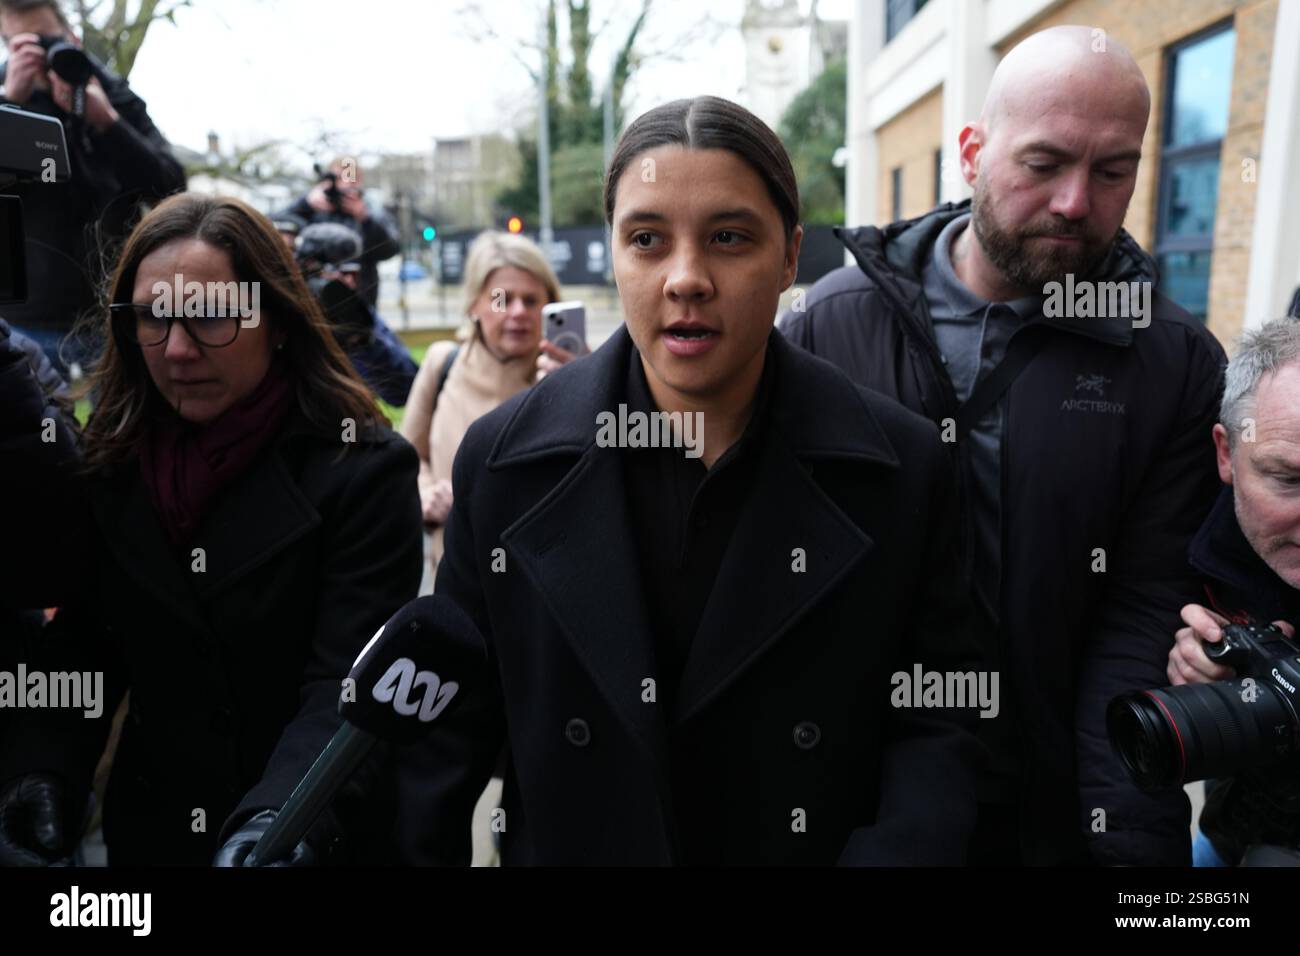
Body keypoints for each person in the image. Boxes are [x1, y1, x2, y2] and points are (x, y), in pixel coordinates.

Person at [331, 96, 984, 866]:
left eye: (729, 238)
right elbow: (445, 746)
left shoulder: (900, 468)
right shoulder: (504, 463)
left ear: (788, 257)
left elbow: (947, 724)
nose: (686, 278)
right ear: (613, 254)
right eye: (647, 239)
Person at [779, 25, 1225, 865]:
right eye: (1044, 163)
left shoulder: (1171, 361)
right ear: (973, 152)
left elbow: (1139, 620)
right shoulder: (829, 326)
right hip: (858, 809)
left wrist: (1129, 853)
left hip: (1052, 810)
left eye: (1113, 171)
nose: (1074, 202)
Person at [0, 193, 422, 866]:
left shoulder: (364, 471)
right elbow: (86, 645)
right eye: (152, 317)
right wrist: (42, 771)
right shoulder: (114, 459)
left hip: (312, 835)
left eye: (210, 318)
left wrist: (276, 826)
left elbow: (343, 686)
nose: (176, 348)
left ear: (277, 320)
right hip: (155, 836)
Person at [1166, 319, 1300, 865]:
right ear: (1226, 455)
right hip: (1236, 837)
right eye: (1288, 480)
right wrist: (1209, 683)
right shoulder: (1178, 545)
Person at [0, 0, 186, 376]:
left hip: (113, 304)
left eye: (47, 39)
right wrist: (9, 105)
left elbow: (170, 185)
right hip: (27, 312)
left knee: (120, 426)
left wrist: (108, 124)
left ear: (73, 38)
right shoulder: (5, 100)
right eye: (24, 43)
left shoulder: (113, 95)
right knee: (34, 429)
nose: (40, 52)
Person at [400, 230, 562, 579]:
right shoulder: (442, 364)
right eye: (502, 299)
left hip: (543, 584)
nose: (518, 312)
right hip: (457, 576)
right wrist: (426, 493)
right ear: (474, 304)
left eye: (531, 300)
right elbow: (409, 456)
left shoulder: (570, 372)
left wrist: (585, 389)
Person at [295, 221, 417, 406]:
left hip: (350, 426)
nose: (349, 283)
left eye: (354, 274)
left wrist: (361, 338)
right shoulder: (287, 316)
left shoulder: (358, 315)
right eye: (342, 273)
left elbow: (405, 390)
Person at [277, 158, 399, 309]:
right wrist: (305, 204)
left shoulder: (372, 210)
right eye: (339, 178)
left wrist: (365, 219)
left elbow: (391, 249)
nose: (345, 185)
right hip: (314, 300)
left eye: (350, 180)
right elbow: (270, 225)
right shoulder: (312, 206)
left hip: (359, 303)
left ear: (359, 181)